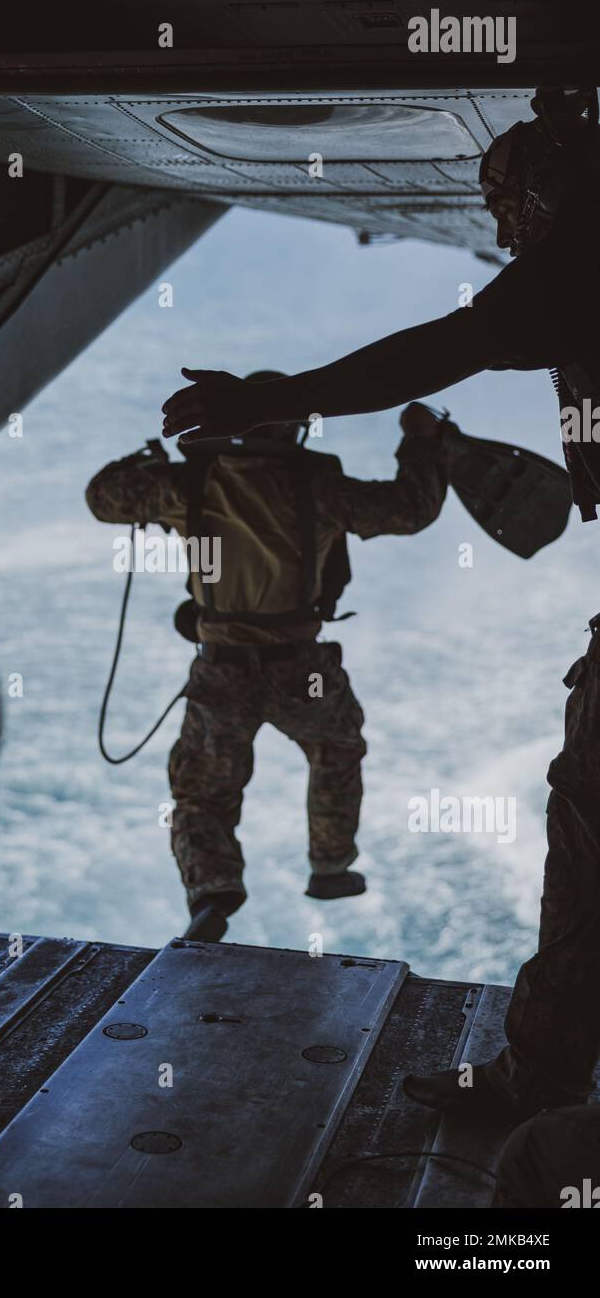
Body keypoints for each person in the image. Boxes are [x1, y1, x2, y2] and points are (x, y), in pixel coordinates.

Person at [161, 86, 600, 1120]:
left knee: (583, 836)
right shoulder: (308, 487)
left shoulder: (576, 260)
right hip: (288, 657)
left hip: (237, 658)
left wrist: (261, 399)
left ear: (549, 198)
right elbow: (402, 509)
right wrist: (425, 452)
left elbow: (444, 347)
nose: (497, 233)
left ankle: (535, 1079)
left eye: (507, 208)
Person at [87, 375, 449, 941]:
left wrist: (148, 460)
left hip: (221, 668)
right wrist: (422, 440)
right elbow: (410, 509)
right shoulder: (320, 488)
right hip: (299, 668)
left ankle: (211, 892)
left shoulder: (187, 486)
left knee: (203, 791)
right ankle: (330, 867)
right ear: (292, 426)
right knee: (335, 748)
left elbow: (103, 496)